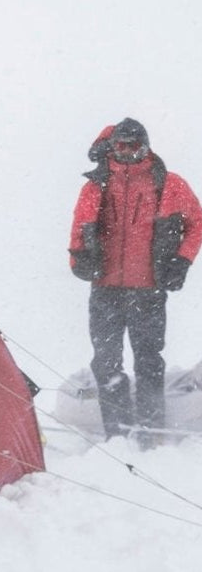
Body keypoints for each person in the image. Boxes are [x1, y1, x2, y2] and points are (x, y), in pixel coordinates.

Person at [69, 117, 201, 444]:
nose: (126, 152)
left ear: (146, 146)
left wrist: (182, 260)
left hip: (149, 291)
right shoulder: (94, 186)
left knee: (148, 360)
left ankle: (150, 430)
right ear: (112, 146)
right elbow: (78, 228)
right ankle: (119, 432)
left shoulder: (170, 185)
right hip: (105, 290)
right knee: (106, 361)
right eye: (120, 145)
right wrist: (78, 258)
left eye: (133, 145)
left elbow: (196, 223)